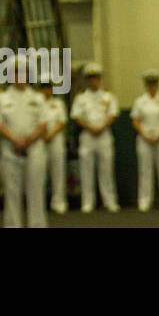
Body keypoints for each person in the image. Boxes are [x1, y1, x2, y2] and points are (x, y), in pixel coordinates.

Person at [0, 61, 46, 227]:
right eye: (15, 73)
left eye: (23, 72)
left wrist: (27, 141)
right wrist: (15, 140)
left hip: (34, 149)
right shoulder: (1, 97)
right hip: (10, 149)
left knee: (35, 191)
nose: (20, 76)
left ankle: (37, 225)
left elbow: (43, 124)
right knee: (12, 193)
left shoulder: (38, 97)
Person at [71, 61, 119, 212]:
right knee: (86, 170)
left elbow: (113, 114)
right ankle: (88, 202)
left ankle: (109, 200)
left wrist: (102, 126)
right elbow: (77, 116)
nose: (93, 81)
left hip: (104, 135)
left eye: (96, 78)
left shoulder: (108, 97)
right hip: (87, 136)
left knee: (106, 169)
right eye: (90, 78)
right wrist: (90, 128)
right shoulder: (81, 98)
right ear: (86, 80)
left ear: (100, 79)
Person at [131, 69, 159, 212]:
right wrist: (144, 134)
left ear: (157, 84)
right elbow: (136, 120)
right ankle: (144, 201)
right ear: (146, 85)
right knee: (145, 171)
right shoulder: (140, 101)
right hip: (145, 139)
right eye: (149, 83)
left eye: (154, 83)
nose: (152, 86)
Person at [38, 81, 68, 214]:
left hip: (55, 140)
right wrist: (43, 135)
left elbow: (62, 122)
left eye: (49, 87)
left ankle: (58, 202)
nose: (46, 90)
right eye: (44, 87)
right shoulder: (35, 103)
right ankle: (39, 203)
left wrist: (50, 135)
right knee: (38, 174)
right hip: (39, 141)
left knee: (58, 172)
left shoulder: (58, 104)